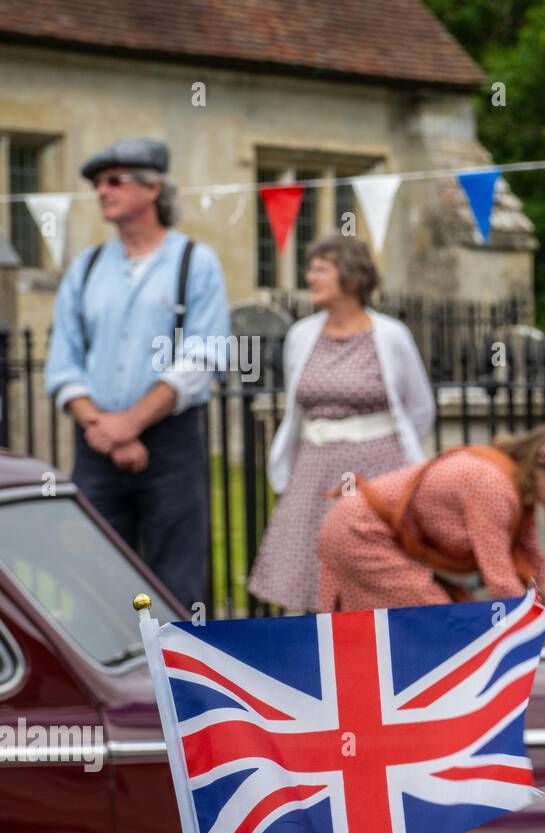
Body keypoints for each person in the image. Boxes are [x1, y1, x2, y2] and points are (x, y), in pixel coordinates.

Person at [44, 137, 230, 609]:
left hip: (169, 446)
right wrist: (103, 427)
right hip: (97, 442)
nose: (101, 190)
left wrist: (132, 424)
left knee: (177, 580)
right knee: (92, 581)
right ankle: (109, 682)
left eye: (114, 180)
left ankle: (178, 680)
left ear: (152, 189)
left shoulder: (196, 263)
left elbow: (201, 357)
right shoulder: (85, 268)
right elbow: (63, 361)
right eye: (97, 183)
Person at [248, 235, 434, 611]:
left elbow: (419, 407)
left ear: (350, 277)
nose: (310, 277)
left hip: (379, 471)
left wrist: (389, 454)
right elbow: (296, 407)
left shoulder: (392, 336)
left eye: (321, 269)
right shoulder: (301, 335)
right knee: (315, 572)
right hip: (314, 470)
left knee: (378, 569)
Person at [317, 420, 545, 646]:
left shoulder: (517, 491)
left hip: (368, 533)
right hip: (359, 533)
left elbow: (535, 565)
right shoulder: (495, 486)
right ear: (541, 464)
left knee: (436, 631)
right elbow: (501, 584)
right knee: (445, 628)